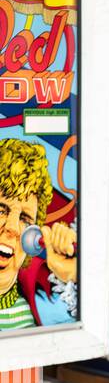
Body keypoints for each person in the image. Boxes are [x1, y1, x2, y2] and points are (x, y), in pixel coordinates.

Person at [0, 140, 76, 330]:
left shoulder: (40, 298)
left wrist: (69, 277)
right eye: (1, 210)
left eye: (25, 219)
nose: (13, 228)